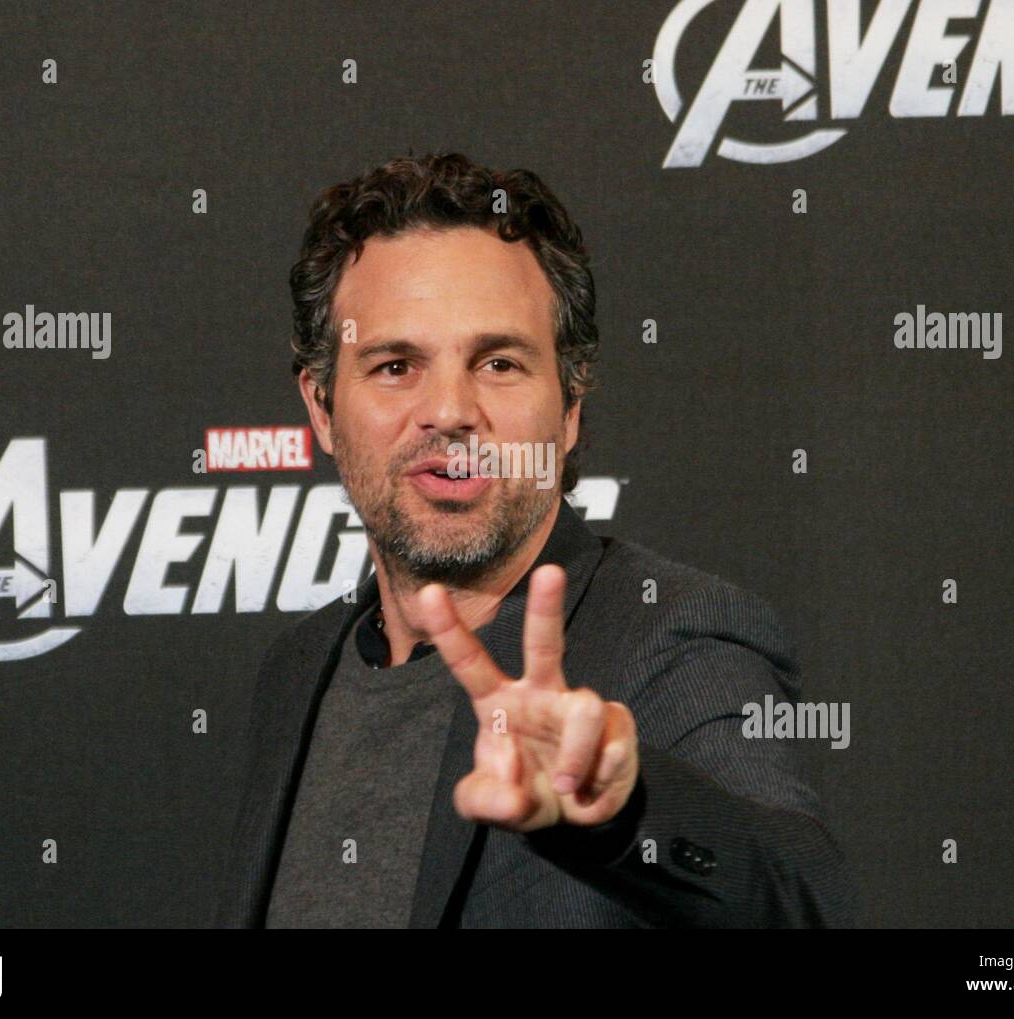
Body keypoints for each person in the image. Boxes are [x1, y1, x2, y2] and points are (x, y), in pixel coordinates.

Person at [213, 152, 856, 928]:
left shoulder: (672, 637)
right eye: (394, 365)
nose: (449, 409)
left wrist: (624, 811)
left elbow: (802, 901)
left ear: (571, 406)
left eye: (499, 362)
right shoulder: (296, 672)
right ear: (321, 408)